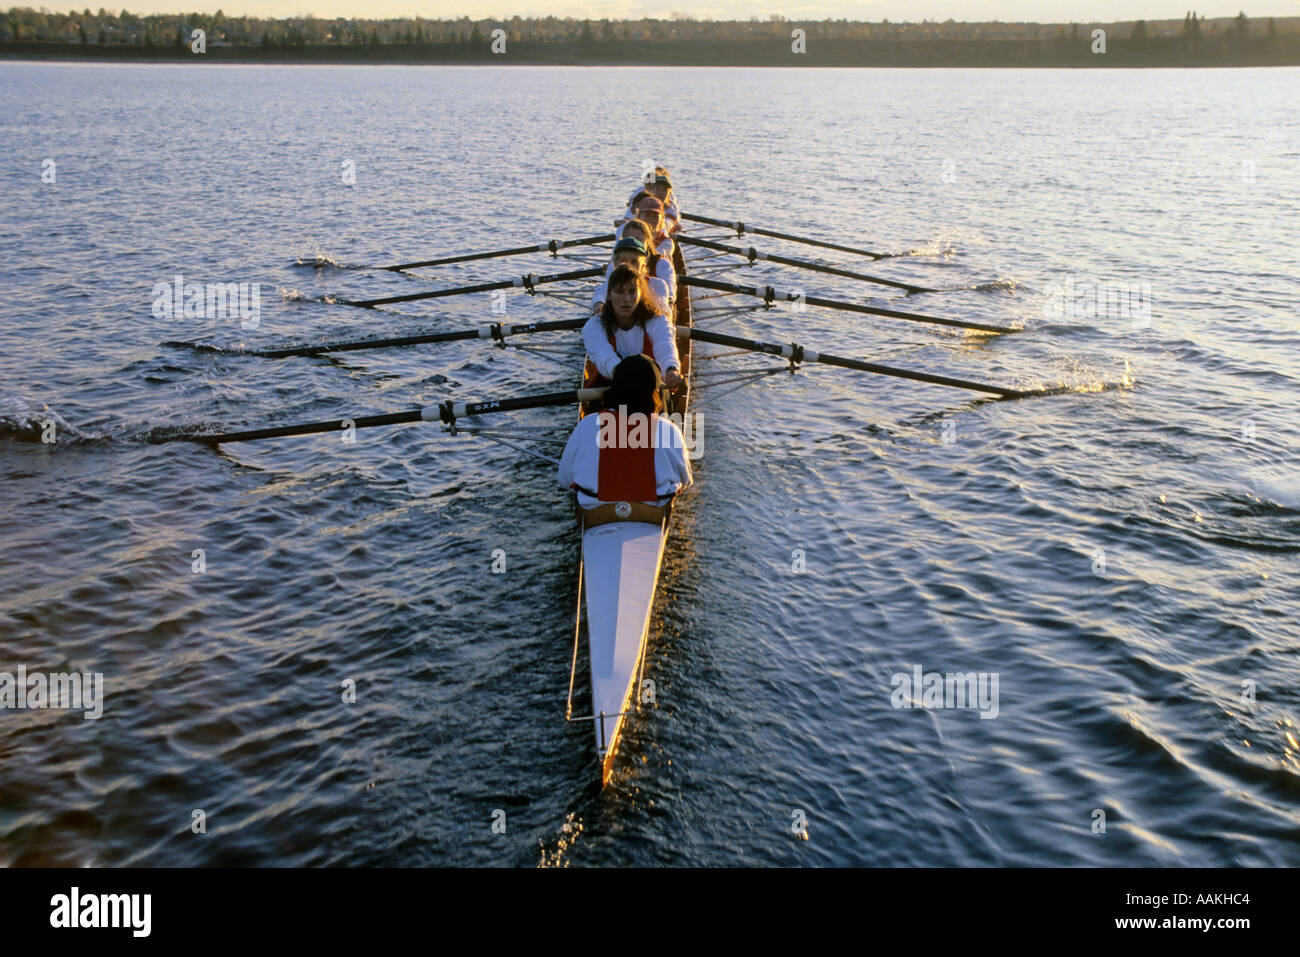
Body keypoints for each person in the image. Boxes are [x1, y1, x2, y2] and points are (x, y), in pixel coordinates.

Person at [559, 355, 692, 511]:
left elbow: (564, 478)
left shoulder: (588, 423)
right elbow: (686, 480)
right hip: (652, 511)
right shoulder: (667, 428)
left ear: (614, 389)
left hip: (594, 510)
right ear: (655, 394)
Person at [582, 264, 682, 391]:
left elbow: (665, 344)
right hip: (612, 388)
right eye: (619, 291)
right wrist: (626, 375)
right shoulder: (595, 326)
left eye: (632, 291)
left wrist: (671, 368)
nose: (627, 299)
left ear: (641, 294)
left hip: (650, 389)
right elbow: (603, 355)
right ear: (609, 295)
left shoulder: (657, 320)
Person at [589, 236, 674, 316]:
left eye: (634, 262)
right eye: (624, 261)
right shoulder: (605, 288)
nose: (629, 265)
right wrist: (599, 308)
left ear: (643, 265)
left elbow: (662, 310)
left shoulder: (658, 285)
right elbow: (598, 302)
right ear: (615, 264)